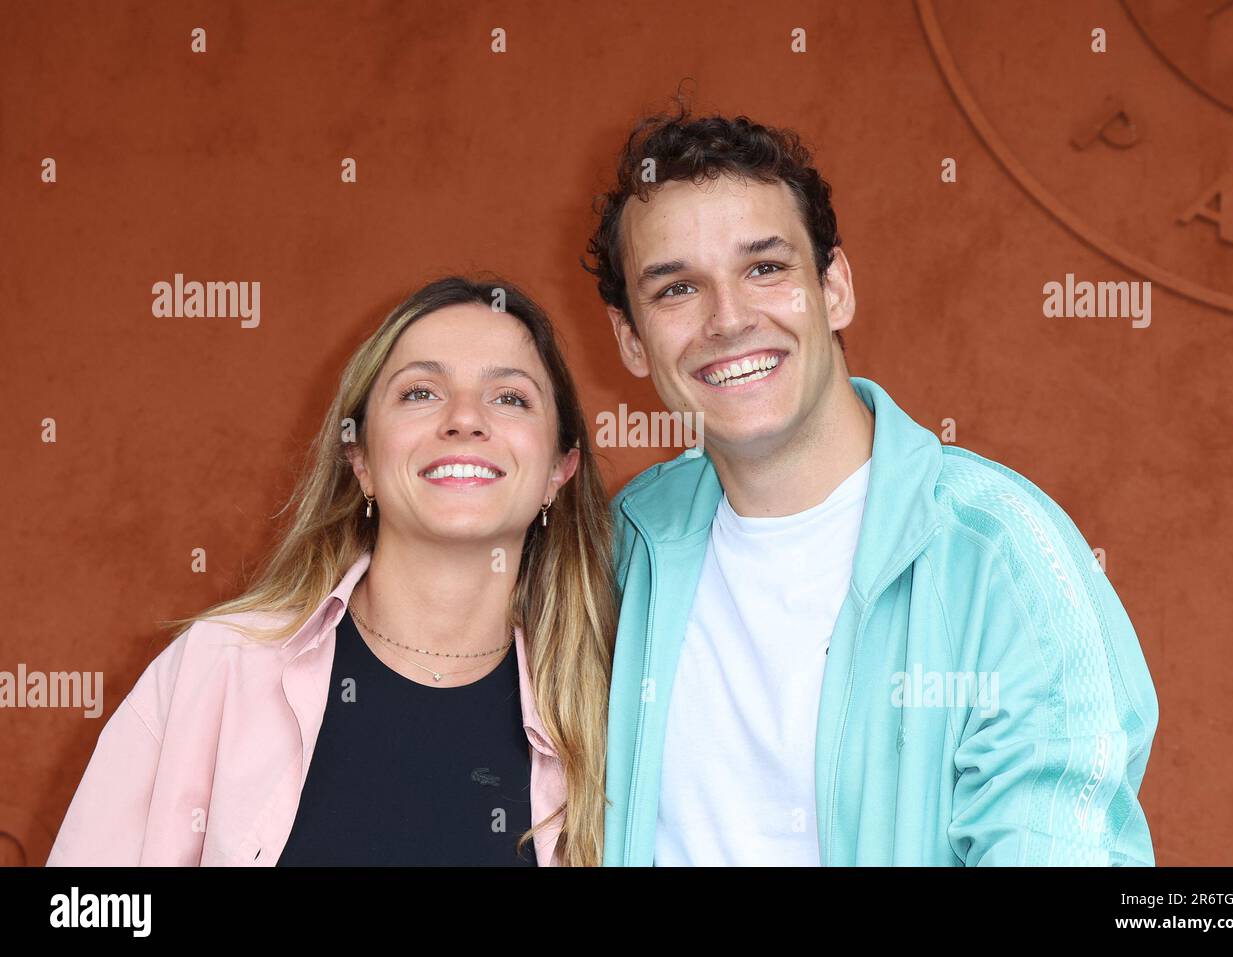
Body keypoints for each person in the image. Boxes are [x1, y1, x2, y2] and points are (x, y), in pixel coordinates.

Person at [584, 100, 1160, 866]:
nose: (728, 319)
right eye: (676, 289)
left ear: (835, 288)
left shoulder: (997, 554)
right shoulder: (626, 547)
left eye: (764, 268)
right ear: (631, 340)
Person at [47, 276, 616, 866]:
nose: (465, 419)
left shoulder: (615, 712)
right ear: (361, 459)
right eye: (421, 392)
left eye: (510, 397)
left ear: (559, 468)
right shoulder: (216, 667)